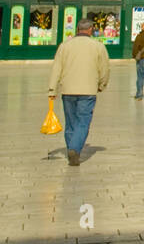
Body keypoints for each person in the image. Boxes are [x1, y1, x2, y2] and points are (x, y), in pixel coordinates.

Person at [47, 20, 110, 166]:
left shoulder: (65, 46)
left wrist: (52, 89)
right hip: (88, 89)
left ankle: (71, 149)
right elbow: (105, 69)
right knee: (83, 122)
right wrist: (102, 85)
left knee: (70, 123)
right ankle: (74, 149)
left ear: (77, 29)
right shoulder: (98, 46)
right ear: (91, 30)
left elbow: (56, 68)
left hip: (68, 90)